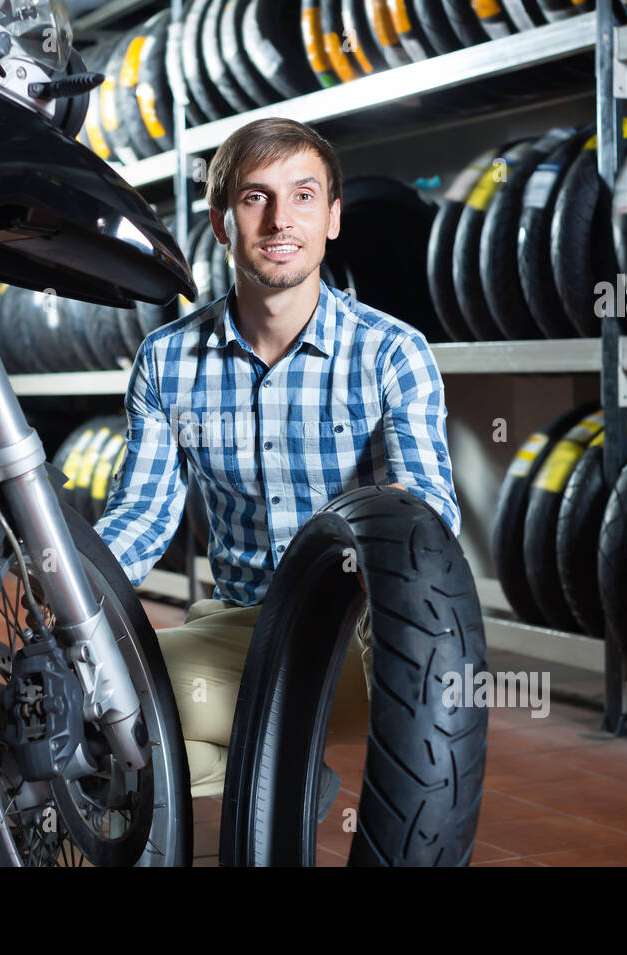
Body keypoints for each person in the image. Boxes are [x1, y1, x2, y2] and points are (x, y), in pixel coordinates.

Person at [93, 117, 460, 813]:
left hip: (362, 633)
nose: (279, 220)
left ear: (333, 217)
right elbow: (141, 517)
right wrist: (72, 601)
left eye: (303, 196)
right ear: (222, 222)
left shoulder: (391, 352)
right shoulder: (168, 360)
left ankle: (275, 769)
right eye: (255, 198)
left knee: (165, 715)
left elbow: (423, 512)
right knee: (112, 704)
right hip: (240, 629)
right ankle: (277, 794)